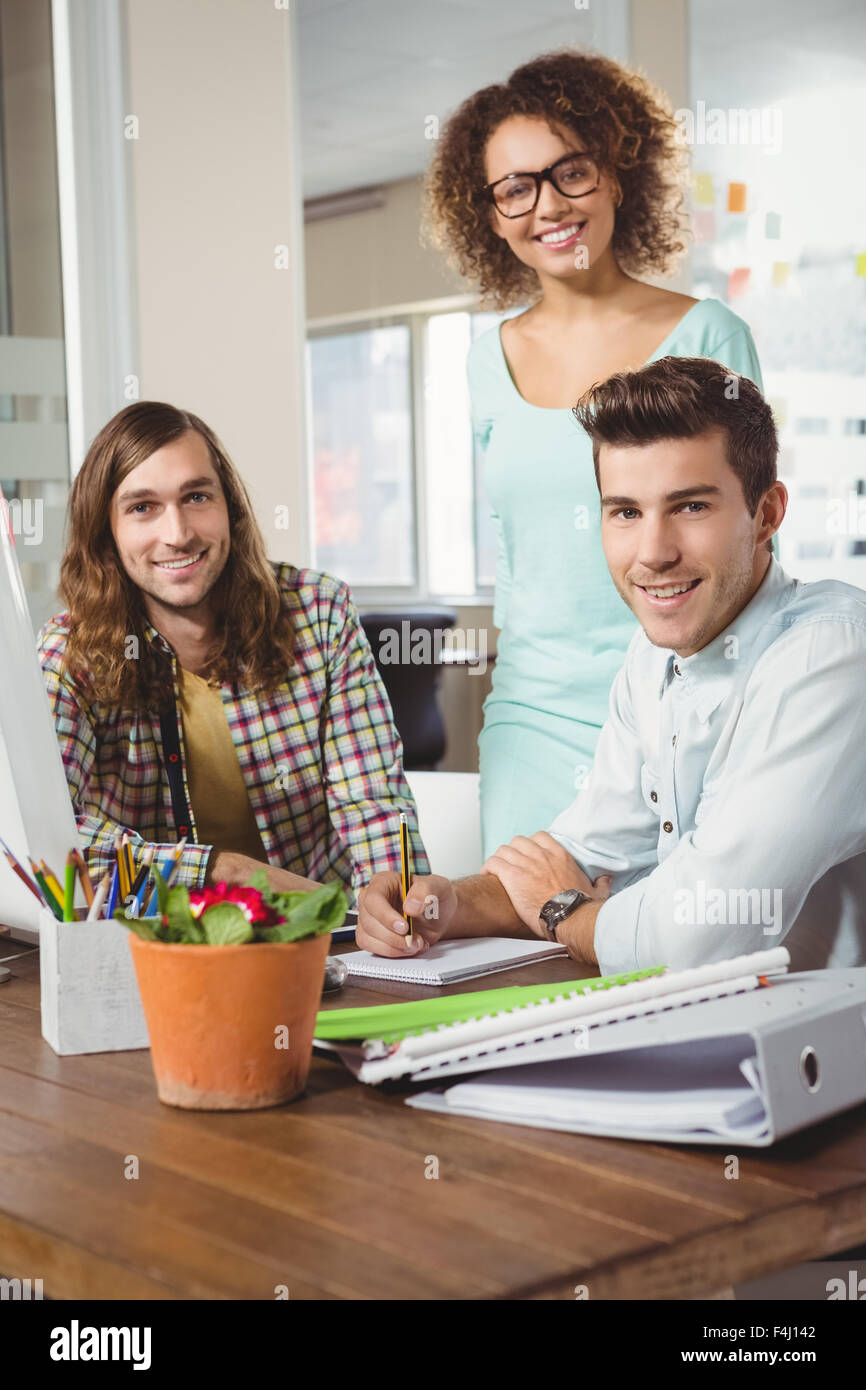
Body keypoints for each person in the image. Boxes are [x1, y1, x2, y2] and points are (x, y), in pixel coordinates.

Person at [357, 356, 866, 974]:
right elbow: (584, 852)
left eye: (691, 507)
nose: (653, 553)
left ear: (767, 514)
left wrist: (565, 911)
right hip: (701, 1032)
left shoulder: (832, 653)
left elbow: (697, 935)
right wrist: (442, 902)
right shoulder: (653, 655)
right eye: (626, 512)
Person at [424, 49, 765, 856]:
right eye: (515, 188)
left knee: (672, 966)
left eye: (569, 171)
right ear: (492, 214)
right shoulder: (486, 360)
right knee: (525, 968)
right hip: (530, 725)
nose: (547, 205)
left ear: (616, 174)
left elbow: (748, 539)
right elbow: (519, 560)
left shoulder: (710, 337)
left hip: (686, 714)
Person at [36, 401, 428, 903]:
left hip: (323, 944)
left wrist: (395, 899)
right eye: (142, 507)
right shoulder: (69, 655)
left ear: (230, 507)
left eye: (196, 497)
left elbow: (372, 803)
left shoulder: (318, 612)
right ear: (106, 531)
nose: (177, 535)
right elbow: (52, 845)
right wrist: (226, 872)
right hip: (157, 953)